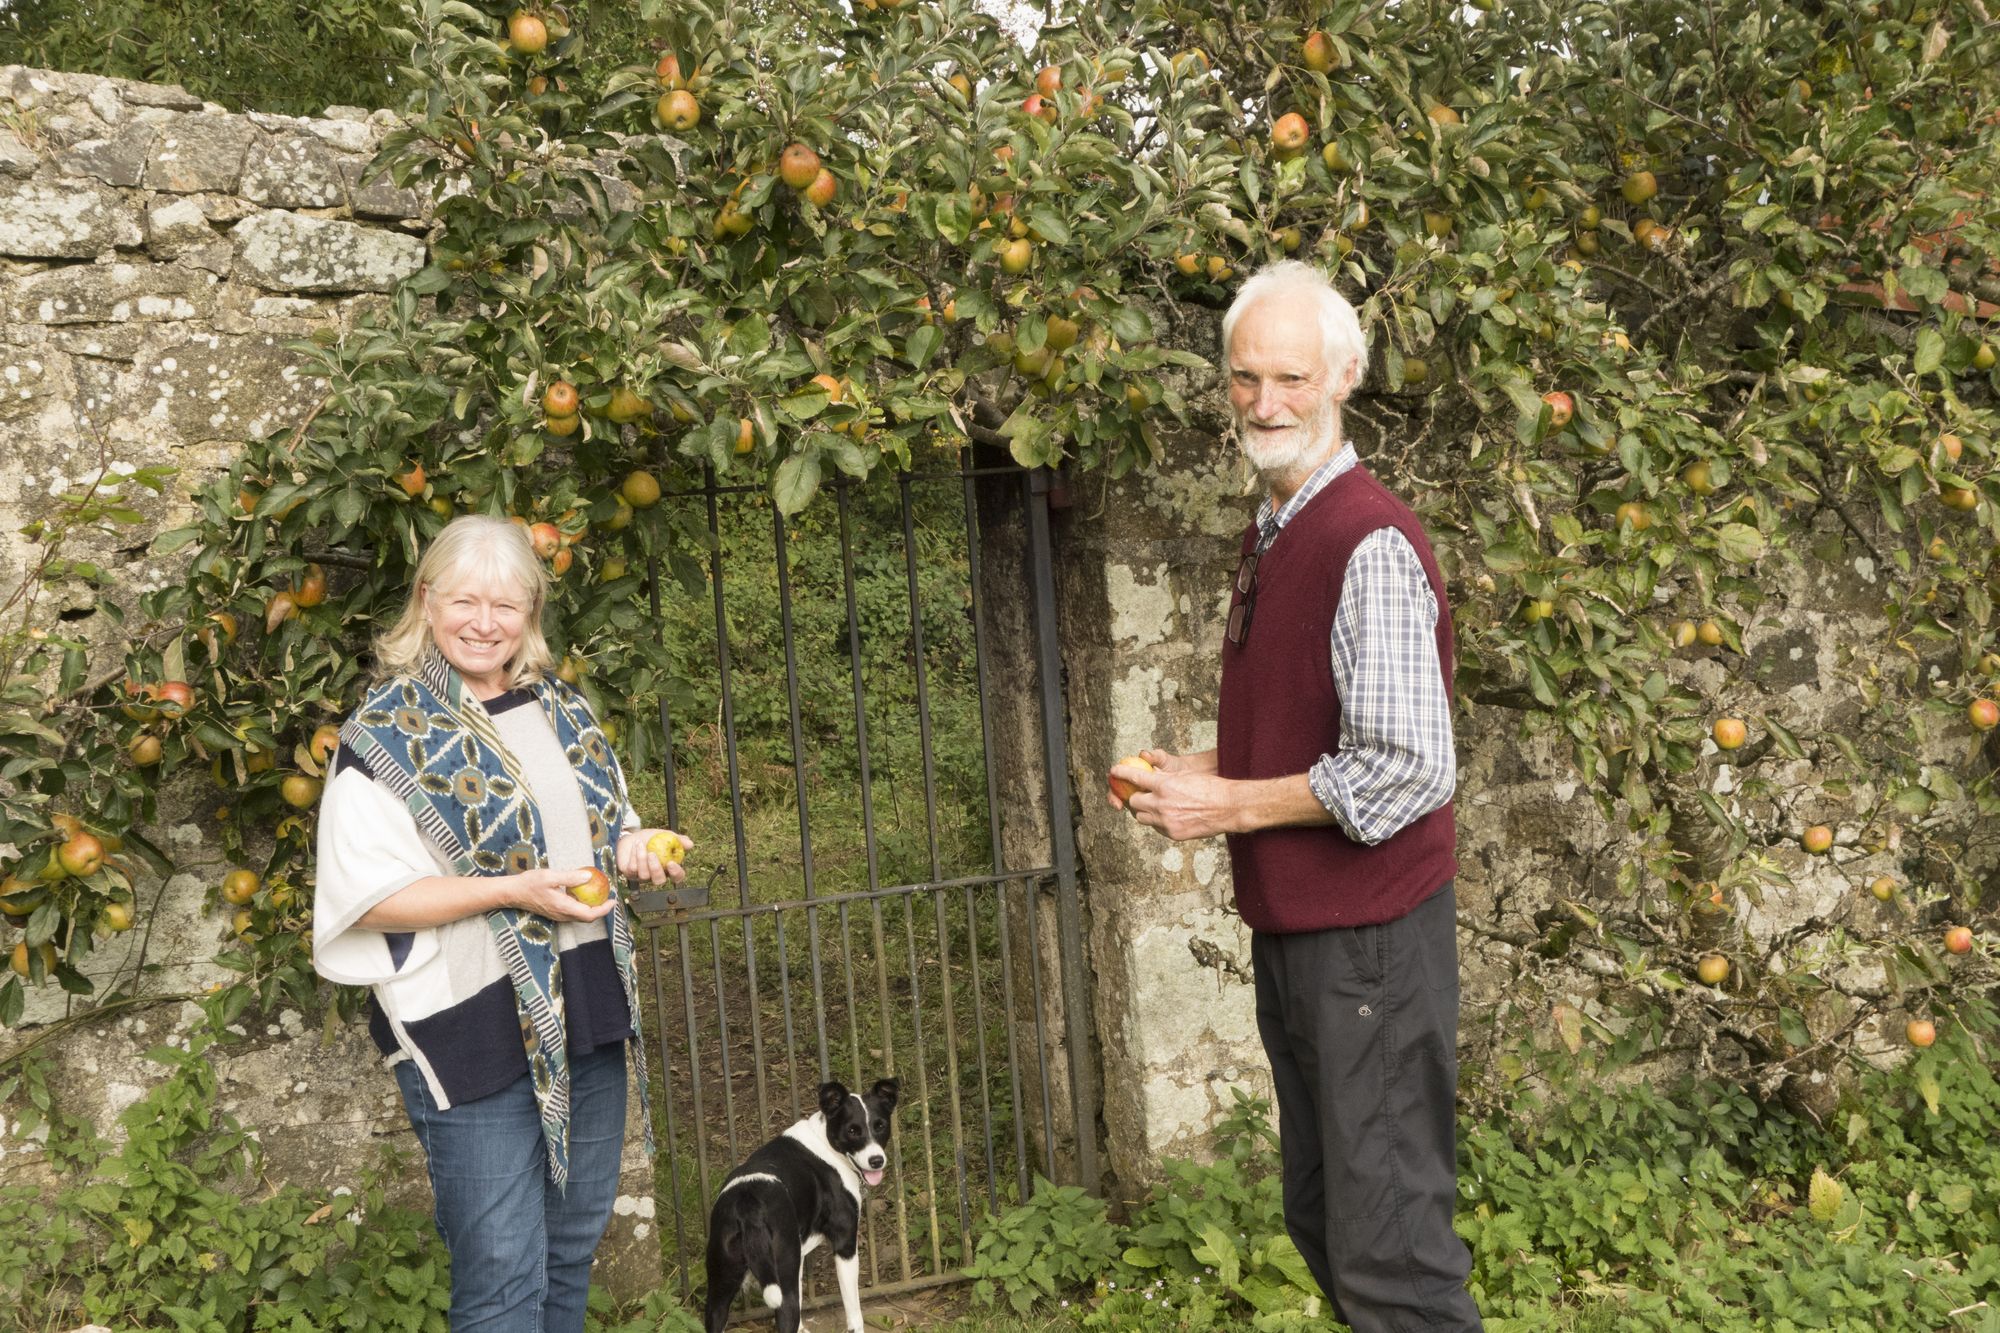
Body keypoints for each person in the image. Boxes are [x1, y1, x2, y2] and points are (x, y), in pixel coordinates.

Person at [1109, 260, 1483, 1332]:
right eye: (1242, 379)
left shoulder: (1361, 539)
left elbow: (1409, 765)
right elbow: (1318, 727)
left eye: (1289, 378)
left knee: (1392, 1256)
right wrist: (1203, 775)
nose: (1264, 404)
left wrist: (1223, 806)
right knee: (1326, 1220)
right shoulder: (1277, 525)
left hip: (1367, 944)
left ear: (1345, 376)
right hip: (1311, 938)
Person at [313, 514, 689, 1333]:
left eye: (507, 605)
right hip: (468, 1025)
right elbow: (366, 899)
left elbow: (600, 823)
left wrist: (634, 846)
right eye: (465, 600)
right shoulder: (384, 735)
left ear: (532, 613)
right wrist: (509, 891)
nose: (485, 622)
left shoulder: (562, 707)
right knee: (501, 1276)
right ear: (427, 601)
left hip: (583, 1008)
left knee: (567, 1252)